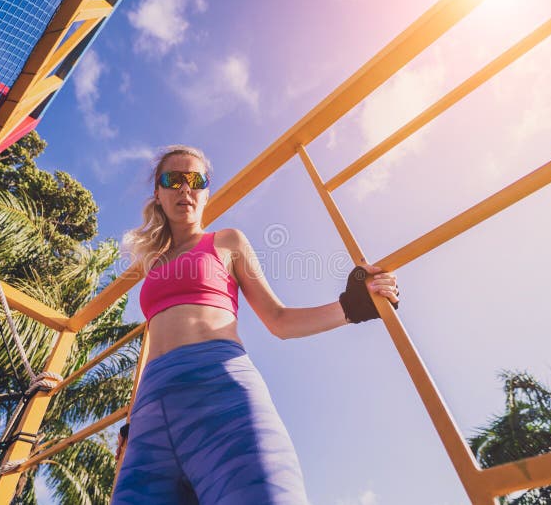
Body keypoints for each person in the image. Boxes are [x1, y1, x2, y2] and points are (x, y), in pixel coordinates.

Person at [111, 145, 399, 505]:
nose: (185, 189)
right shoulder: (152, 264)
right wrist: (133, 421)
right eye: (173, 180)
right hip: (151, 410)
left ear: (206, 191)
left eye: (195, 180)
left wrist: (352, 306)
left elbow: (278, 320)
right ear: (158, 192)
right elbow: (155, 343)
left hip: (218, 387)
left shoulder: (227, 242)